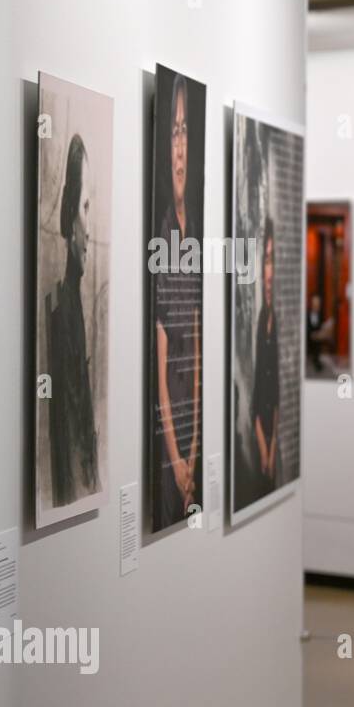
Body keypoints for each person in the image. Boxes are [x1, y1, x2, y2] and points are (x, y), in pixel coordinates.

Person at [154, 73, 201, 527]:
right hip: (172, 441)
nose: (180, 149)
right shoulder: (164, 238)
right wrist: (179, 460)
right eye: (173, 134)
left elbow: (200, 352)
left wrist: (195, 450)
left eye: (185, 132)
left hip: (192, 435)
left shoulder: (196, 237)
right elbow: (161, 375)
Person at [47, 132, 100, 508]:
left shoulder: (74, 308)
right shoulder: (62, 313)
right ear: (69, 215)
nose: (90, 228)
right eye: (84, 208)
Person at [251, 218, 280, 500]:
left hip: (273, 450)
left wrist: (272, 451)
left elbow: (278, 397)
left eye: (274, 261)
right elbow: (257, 396)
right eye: (267, 260)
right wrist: (263, 449)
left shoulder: (279, 324)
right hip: (263, 446)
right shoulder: (261, 321)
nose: (269, 273)